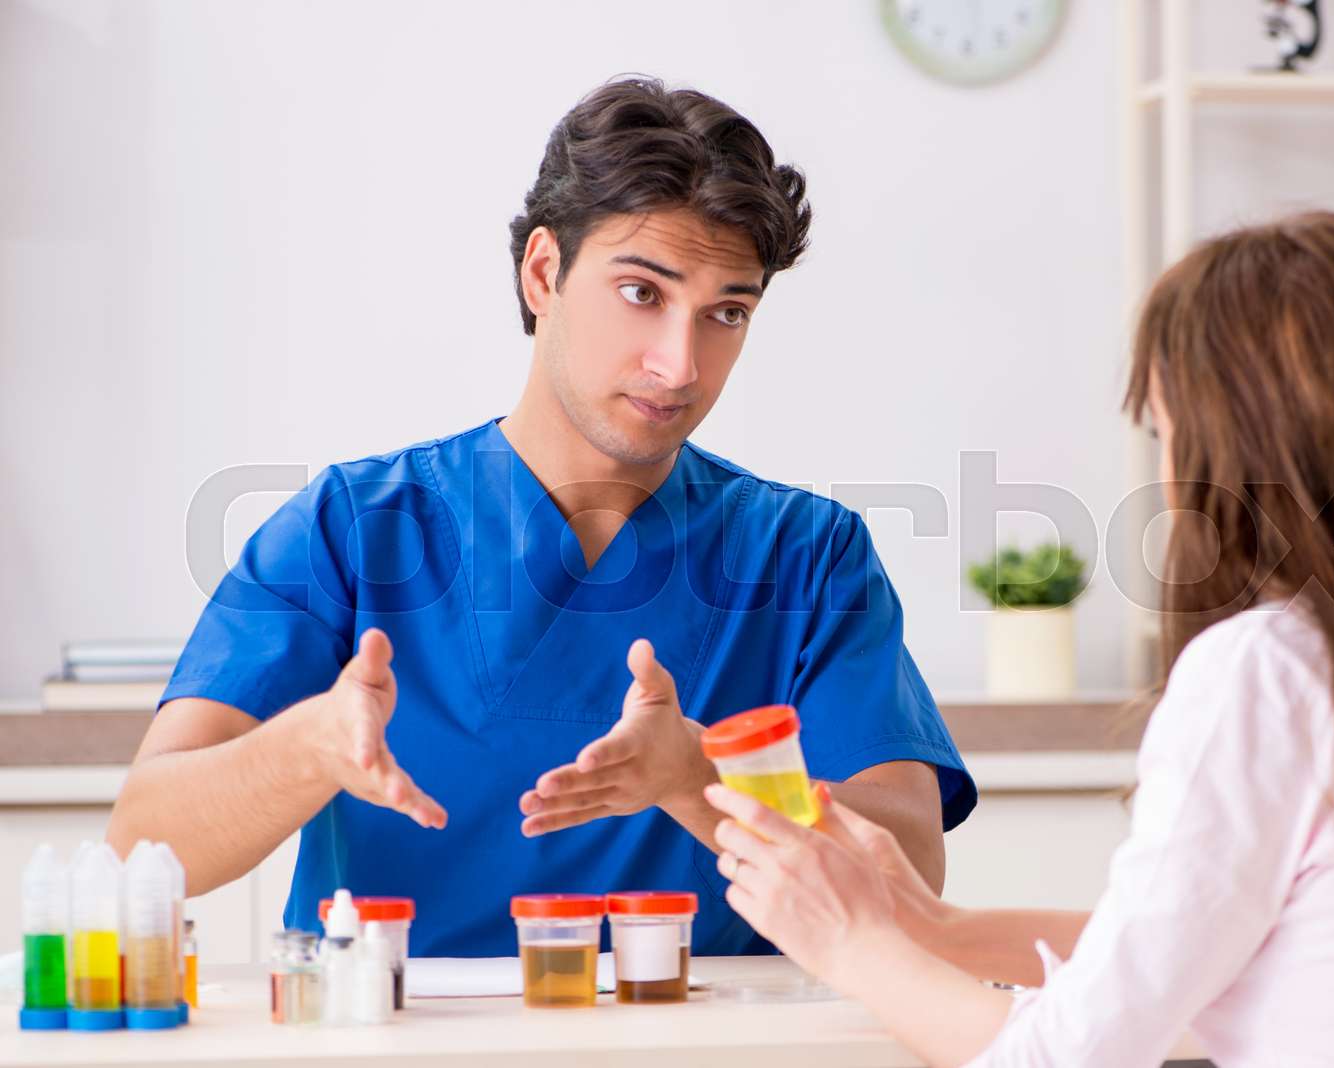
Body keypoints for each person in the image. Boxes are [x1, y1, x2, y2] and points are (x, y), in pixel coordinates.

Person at [704, 211, 1334, 1066]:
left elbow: (1055, 1059)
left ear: (1234, 454)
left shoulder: (1267, 675)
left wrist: (848, 942)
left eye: (1167, 433)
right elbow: (1186, 951)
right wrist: (934, 931)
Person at [107, 76, 975, 957]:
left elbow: (907, 870)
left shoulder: (806, 556)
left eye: (726, 313)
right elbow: (145, 839)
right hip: (406, 1036)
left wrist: (698, 775)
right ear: (543, 272)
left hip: (710, 1038)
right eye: (644, 293)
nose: (680, 364)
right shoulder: (352, 529)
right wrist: (304, 749)